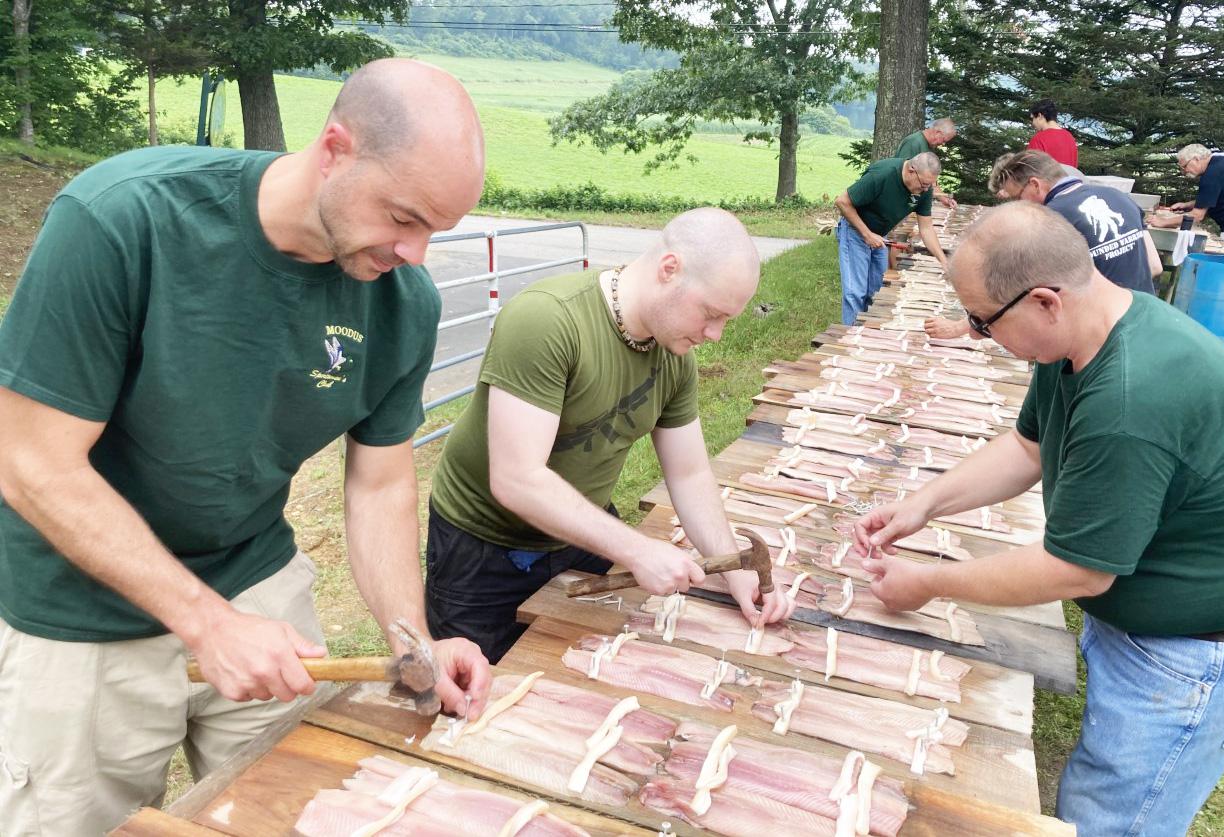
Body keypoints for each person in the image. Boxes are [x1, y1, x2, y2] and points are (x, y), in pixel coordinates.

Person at [0, 59, 492, 836]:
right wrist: (206, 623)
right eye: (404, 216)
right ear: (334, 149)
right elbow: (30, 463)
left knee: (304, 809)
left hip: (253, 579)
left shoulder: (402, 302)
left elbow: (380, 486)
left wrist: (413, 641)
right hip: (79, 607)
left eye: (438, 230)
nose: (417, 252)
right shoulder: (123, 220)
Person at [856, 201, 1224, 837]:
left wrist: (929, 583)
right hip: (1166, 617)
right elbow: (1028, 446)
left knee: (1112, 821)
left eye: (983, 321)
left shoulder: (1131, 397)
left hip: (1203, 653)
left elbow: (1076, 571)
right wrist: (924, 503)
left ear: (1046, 301)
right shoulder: (1084, 337)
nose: (978, 334)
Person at [425, 208, 797, 663]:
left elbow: (690, 473)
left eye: (727, 320)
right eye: (710, 313)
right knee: (472, 688)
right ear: (669, 269)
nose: (715, 335)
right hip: (484, 550)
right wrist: (636, 548)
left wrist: (733, 566)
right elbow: (517, 479)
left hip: (584, 535)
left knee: (572, 670)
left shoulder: (674, 356)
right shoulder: (549, 321)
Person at [926, 150, 1162, 339]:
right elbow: (1154, 266)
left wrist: (961, 328)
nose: (1017, 206)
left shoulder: (1048, 220)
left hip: (1103, 333)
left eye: (1017, 197)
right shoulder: (1118, 196)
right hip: (1147, 318)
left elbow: (1016, 293)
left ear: (1035, 185)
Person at [834, 152, 949, 325]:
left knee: (876, 290)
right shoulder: (882, 174)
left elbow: (926, 229)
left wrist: (943, 261)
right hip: (855, 232)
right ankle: (850, 338)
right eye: (924, 184)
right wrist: (867, 234)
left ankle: (868, 332)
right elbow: (842, 201)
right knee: (855, 292)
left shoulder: (925, 188)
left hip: (880, 235)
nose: (926, 190)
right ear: (911, 170)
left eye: (929, 185)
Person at [1149, 143, 1224, 258]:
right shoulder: (1219, 164)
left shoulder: (1212, 174)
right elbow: (1214, 199)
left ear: (1196, 159)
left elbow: (1197, 216)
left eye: (1185, 166)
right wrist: (1186, 205)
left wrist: (1163, 222)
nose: (1184, 171)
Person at [894, 119, 958, 209]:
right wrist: (909, 206)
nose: (943, 144)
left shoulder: (930, 146)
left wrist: (944, 198)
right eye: (943, 140)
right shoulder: (913, 143)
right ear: (937, 132)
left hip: (912, 203)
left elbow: (931, 181)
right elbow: (901, 176)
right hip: (900, 203)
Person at [1027, 98, 1078, 168]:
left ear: (1039, 116)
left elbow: (1030, 170)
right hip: (1069, 178)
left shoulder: (1039, 139)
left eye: (1033, 118)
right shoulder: (1070, 137)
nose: (1033, 123)